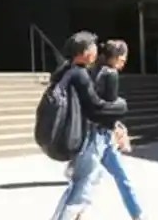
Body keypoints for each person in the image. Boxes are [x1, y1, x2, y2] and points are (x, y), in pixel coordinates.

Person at [50, 31, 129, 220]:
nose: (96, 52)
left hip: (75, 131)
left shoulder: (65, 70)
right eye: (92, 48)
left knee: (81, 183)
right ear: (83, 52)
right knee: (83, 186)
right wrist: (121, 106)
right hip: (87, 136)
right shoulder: (80, 74)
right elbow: (95, 108)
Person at [91, 40, 145, 220]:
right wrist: (118, 127)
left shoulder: (94, 71)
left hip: (94, 133)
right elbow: (111, 106)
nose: (124, 62)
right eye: (123, 58)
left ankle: (138, 215)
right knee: (122, 178)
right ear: (115, 57)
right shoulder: (111, 74)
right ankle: (138, 216)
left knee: (85, 183)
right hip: (103, 136)